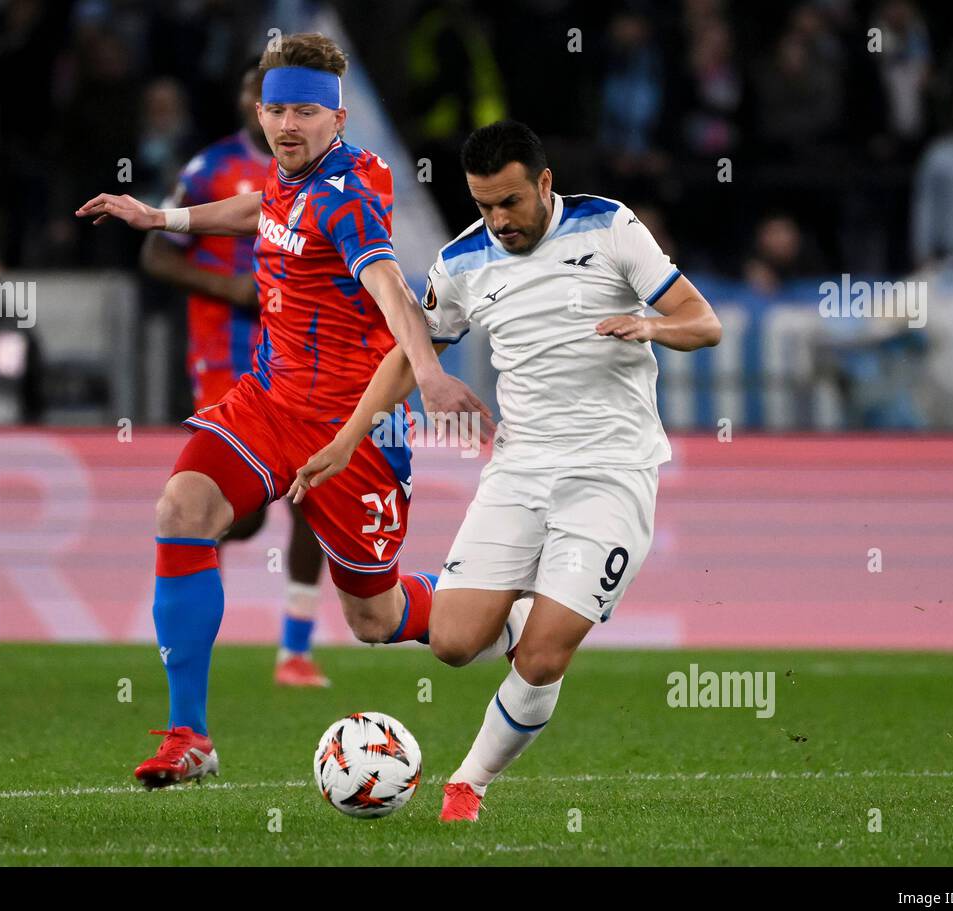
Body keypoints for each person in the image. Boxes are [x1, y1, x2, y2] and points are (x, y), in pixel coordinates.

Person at [76, 32, 498, 788]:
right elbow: (262, 210)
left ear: (337, 117)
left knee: (374, 619)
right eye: (275, 109)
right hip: (268, 400)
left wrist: (429, 373)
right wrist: (163, 218)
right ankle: (190, 735)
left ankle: (491, 604)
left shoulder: (349, 199)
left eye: (304, 110)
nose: (286, 125)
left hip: (352, 426)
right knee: (183, 508)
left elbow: (391, 291)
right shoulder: (297, 173)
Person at [289, 120, 721, 821]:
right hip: (520, 471)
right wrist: (346, 438)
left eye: (510, 203)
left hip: (612, 473)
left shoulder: (610, 227)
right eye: (484, 205)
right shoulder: (464, 260)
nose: (498, 221)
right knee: (457, 644)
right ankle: (525, 614)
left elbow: (704, 323)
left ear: (545, 184)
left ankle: (468, 783)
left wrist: (651, 327)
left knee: (545, 657)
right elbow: (409, 350)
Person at [140, 64, 329, 688]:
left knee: (312, 493)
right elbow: (155, 252)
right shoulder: (209, 168)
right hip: (227, 359)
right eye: (263, 97)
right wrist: (229, 287)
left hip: (301, 361)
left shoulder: (330, 175)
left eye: (292, 103)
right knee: (227, 510)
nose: (278, 113)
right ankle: (191, 644)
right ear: (251, 104)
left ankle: (295, 651)